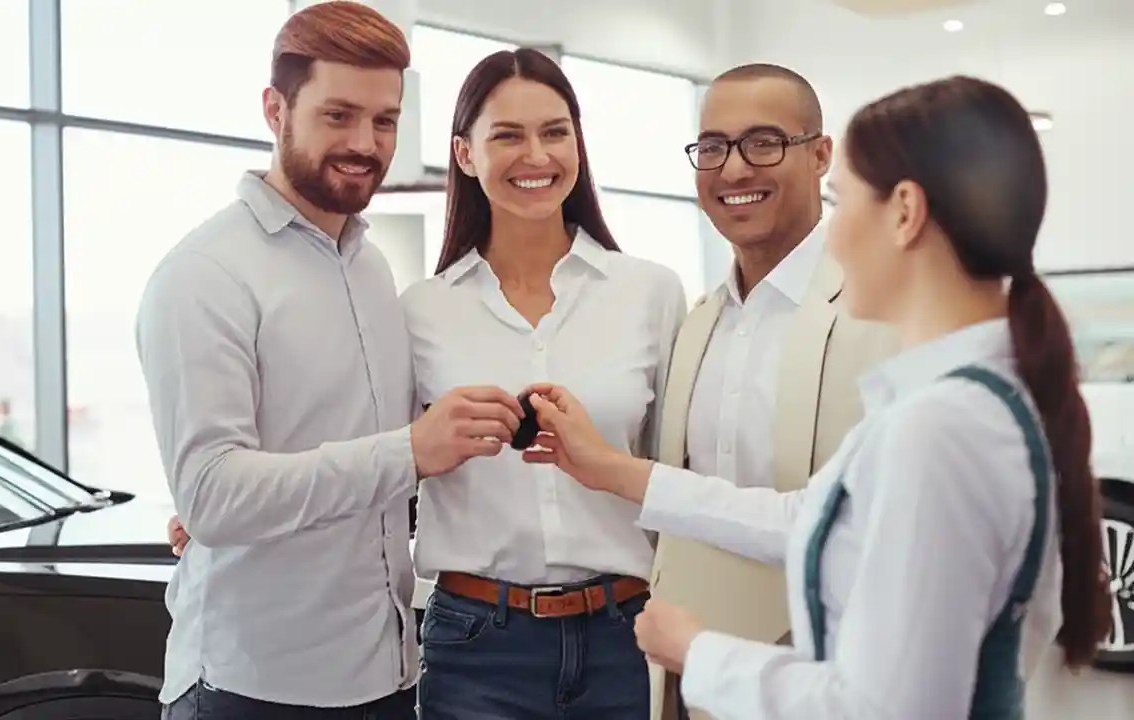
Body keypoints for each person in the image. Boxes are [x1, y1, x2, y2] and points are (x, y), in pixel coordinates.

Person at [522, 75, 1111, 719]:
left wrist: (700, 653)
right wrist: (611, 469)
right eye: (714, 147)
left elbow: (885, 707)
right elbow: (805, 516)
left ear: (905, 212)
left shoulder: (939, 427)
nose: (835, 234)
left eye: (842, 199)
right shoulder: (965, 403)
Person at [135, 3, 523, 717]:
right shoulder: (204, 275)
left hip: (385, 673)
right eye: (338, 115)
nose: (365, 144)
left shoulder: (371, 268)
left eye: (385, 120)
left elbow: (347, 450)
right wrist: (410, 450)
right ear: (275, 109)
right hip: (251, 689)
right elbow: (213, 497)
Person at [402, 48, 685, 719]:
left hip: (623, 637)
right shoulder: (420, 311)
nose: (537, 155)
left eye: (555, 132)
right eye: (507, 135)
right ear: (464, 154)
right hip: (475, 646)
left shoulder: (649, 293)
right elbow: (379, 462)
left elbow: (678, 472)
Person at [638, 62, 901, 720]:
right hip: (692, 671)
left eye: (763, 143)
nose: (733, 170)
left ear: (820, 156)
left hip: (833, 678)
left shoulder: (882, 311)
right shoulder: (698, 322)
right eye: (714, 147)